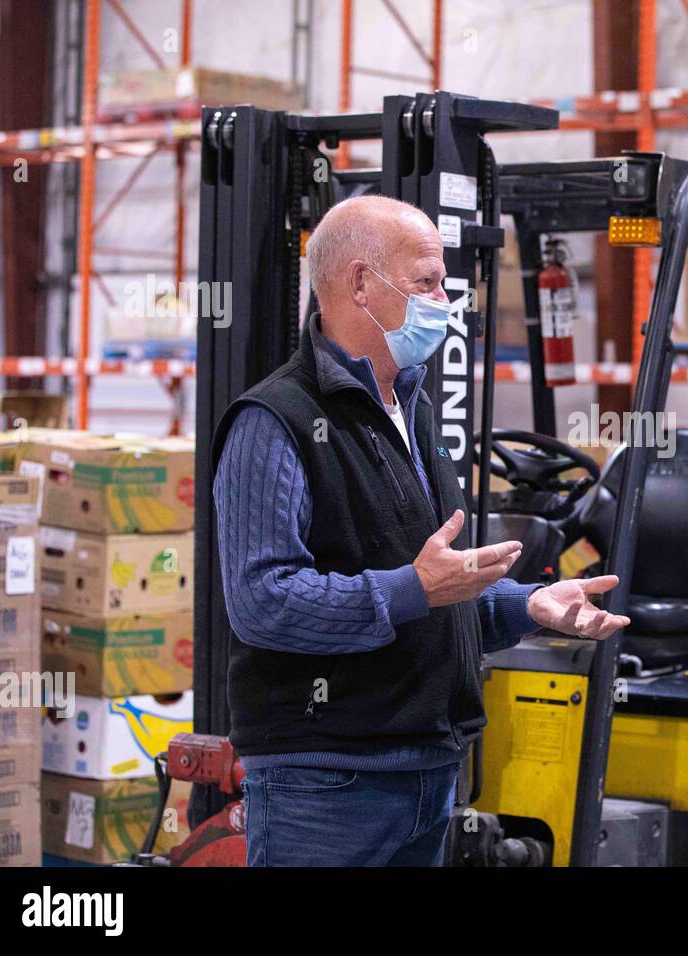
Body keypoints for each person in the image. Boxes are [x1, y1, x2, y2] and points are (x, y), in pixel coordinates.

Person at [212, 195, 629, 866]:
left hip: (428, 770)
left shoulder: (414, 410)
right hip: (327, 783)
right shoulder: (275, 421)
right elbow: (263, 602)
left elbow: (437, 590)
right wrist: (413, 588)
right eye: (428, 281)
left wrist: (525, 605)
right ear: (358, 283)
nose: (446, 300)